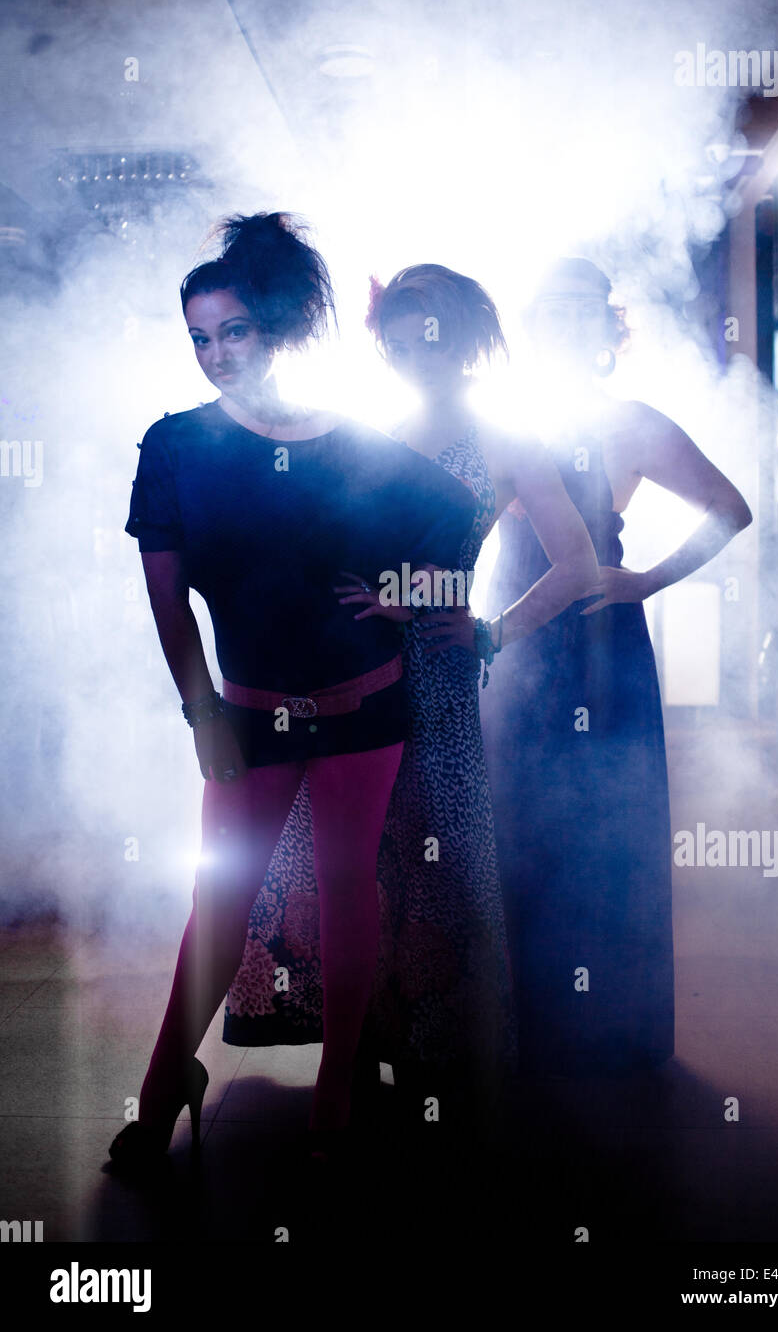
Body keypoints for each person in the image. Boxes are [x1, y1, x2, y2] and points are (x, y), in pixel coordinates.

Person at [109, 214, 477, 1170]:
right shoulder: (178, 445)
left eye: (233, 331)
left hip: (367, 710)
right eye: (198, 336)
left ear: (274, 330)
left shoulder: (358, 448)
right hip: (249, 715)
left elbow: (455, 529)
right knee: (218, 902)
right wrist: (201, 717)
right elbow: (166, 600)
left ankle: (336, 1095)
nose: (215, 354)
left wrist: (407, 599)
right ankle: (159, 1093)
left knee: (350, 890)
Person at [222, 263, 600, 1141]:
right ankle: (357, 1055)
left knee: (438, 858)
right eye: (392, 341)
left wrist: (491, 632)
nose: (407, 355)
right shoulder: (374, 435)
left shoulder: (508, 441)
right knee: (351, 863)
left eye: (424, 336)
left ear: (467, 339)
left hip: (436, 674)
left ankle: (439, 1058)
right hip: (345, 673)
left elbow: (579, 563)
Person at [482, 257, 753, 1077]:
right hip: (513, 639)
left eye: (581, 314)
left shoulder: (633, 423)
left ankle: (616, 1035)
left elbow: (730, 509)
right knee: (510, 822)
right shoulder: (499, 422)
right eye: (550, 314)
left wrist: (644, 580)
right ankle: (517, 1029)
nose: (565, 328)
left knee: (609, 828)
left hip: (601, 648)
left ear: (606, 330)